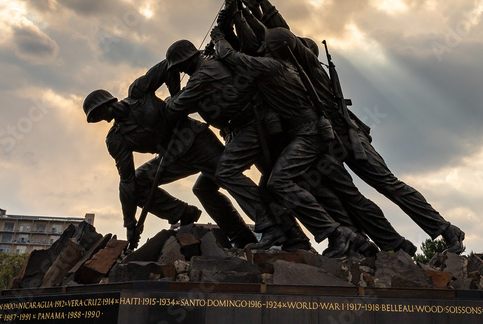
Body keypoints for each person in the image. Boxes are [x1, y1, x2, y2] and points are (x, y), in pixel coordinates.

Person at [238, 0, 467, 254]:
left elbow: (282, 35)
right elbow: (272, 40)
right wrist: (247, 11)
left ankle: (446, 230)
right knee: (352, 198)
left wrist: (264, 6)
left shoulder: (307, 65)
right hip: (326, 141)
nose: (265, 52)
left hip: (347, 135)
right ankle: (393, 246)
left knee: (388, 185)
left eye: (271, 50)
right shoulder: (290, 68)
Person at [210, 26, 374, 258]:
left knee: (279, 182)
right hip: (306, 134)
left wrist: (219, 38)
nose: (261, 45)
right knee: (282, 188)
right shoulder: (287, 66)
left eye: (265, 43)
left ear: (272, 48)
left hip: (308, 135)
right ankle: (318, 238)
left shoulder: (273, 67)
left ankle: (337, 233)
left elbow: (233, 57)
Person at [84, 58, 255, 249]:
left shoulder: (138, 92)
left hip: (196, 141)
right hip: (172, 157)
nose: (100, 119)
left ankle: (271, 226)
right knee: (140, 181)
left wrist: (176, 101)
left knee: (227, 177)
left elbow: (169, 66)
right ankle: (184, 213)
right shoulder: (116, 139)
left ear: (104, 105)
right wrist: (130, 223)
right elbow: (127, 181)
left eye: (96, 115)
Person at [163, 38, 311, 251]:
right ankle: (246, 238)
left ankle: (271, 228)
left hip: (252, 127)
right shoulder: (205, 70)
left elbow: (174, 108)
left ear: (185, 62)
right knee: (204, 187)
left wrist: (172, 92)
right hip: (238, 131)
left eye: (178, 68)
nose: (179, 71)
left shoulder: (203, 75)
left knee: (226, 172)